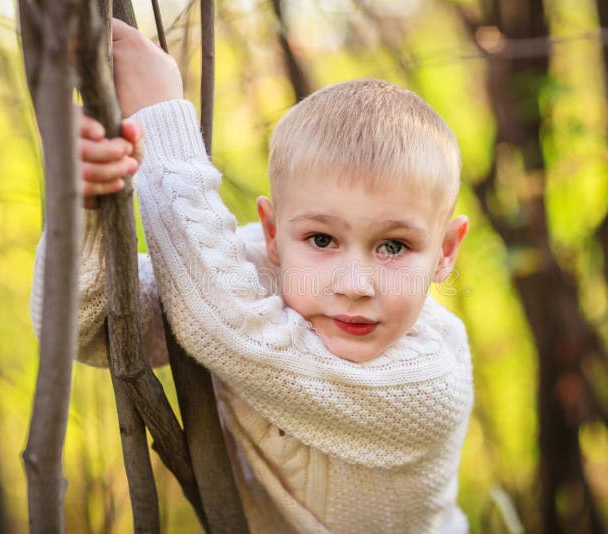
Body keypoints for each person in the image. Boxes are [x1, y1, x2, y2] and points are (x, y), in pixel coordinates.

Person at [31, 19, 473, 533]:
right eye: (322, 240)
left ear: (444, 251)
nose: (355, 284)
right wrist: (85, 208)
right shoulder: (247, 273)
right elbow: (93, 333)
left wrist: (161, 114)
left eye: (393, 246)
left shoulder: (427, 387)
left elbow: (226, 328)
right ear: (271, 232)